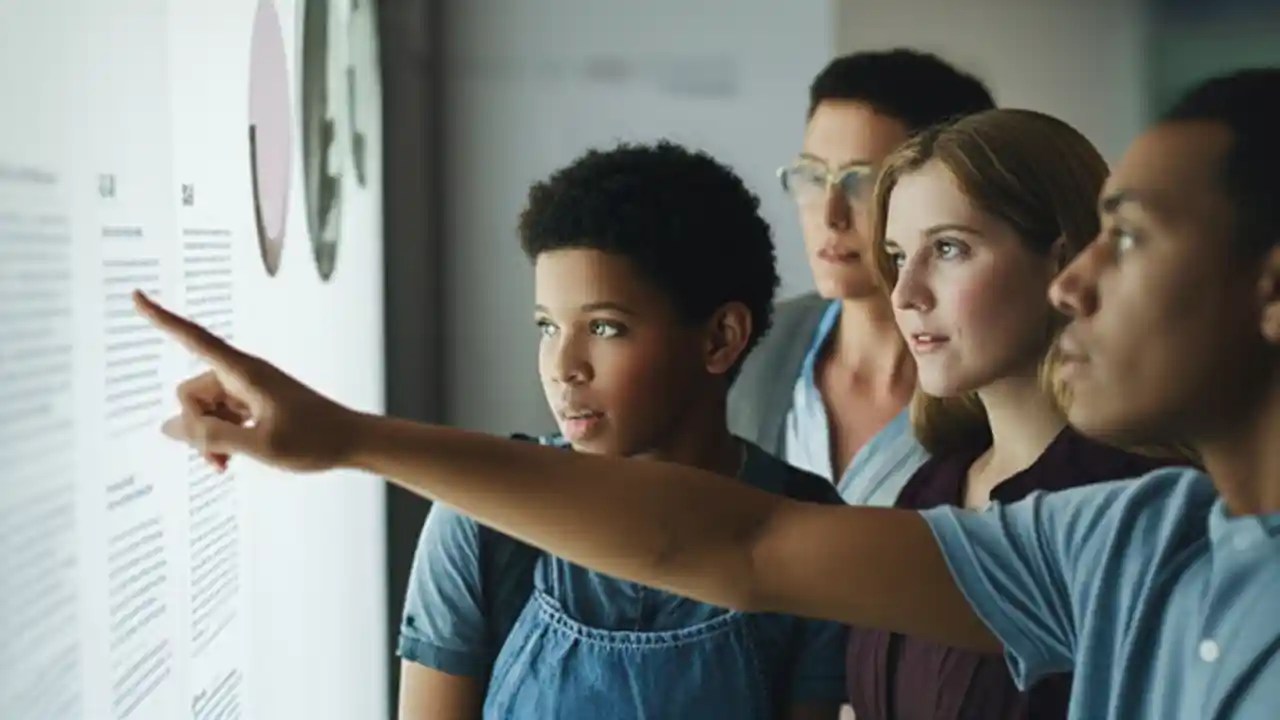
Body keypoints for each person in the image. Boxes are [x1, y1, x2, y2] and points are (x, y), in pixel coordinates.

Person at [139, 68, 1280, 719]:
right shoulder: (1125, 541)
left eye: (1123, 239)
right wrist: (347, 439)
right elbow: (736, 548)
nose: (1079, 280)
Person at [396, 142, 850, 719]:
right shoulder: (483, 521)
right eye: (547, 327)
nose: (564, 367)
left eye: (605, 327)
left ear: (719, 338)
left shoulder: (811, 530)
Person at [842, 109, 1177, 720]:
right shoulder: (927, 485)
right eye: (897, 255)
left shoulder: (1134, 504)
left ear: (1062, 260)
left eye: (948, 248)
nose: (904, 293)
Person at [731, 49, 995, 505]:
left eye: (862, 182)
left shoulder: (995, 379)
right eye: (813, 176)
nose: (830, 215)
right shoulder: (752, 344)